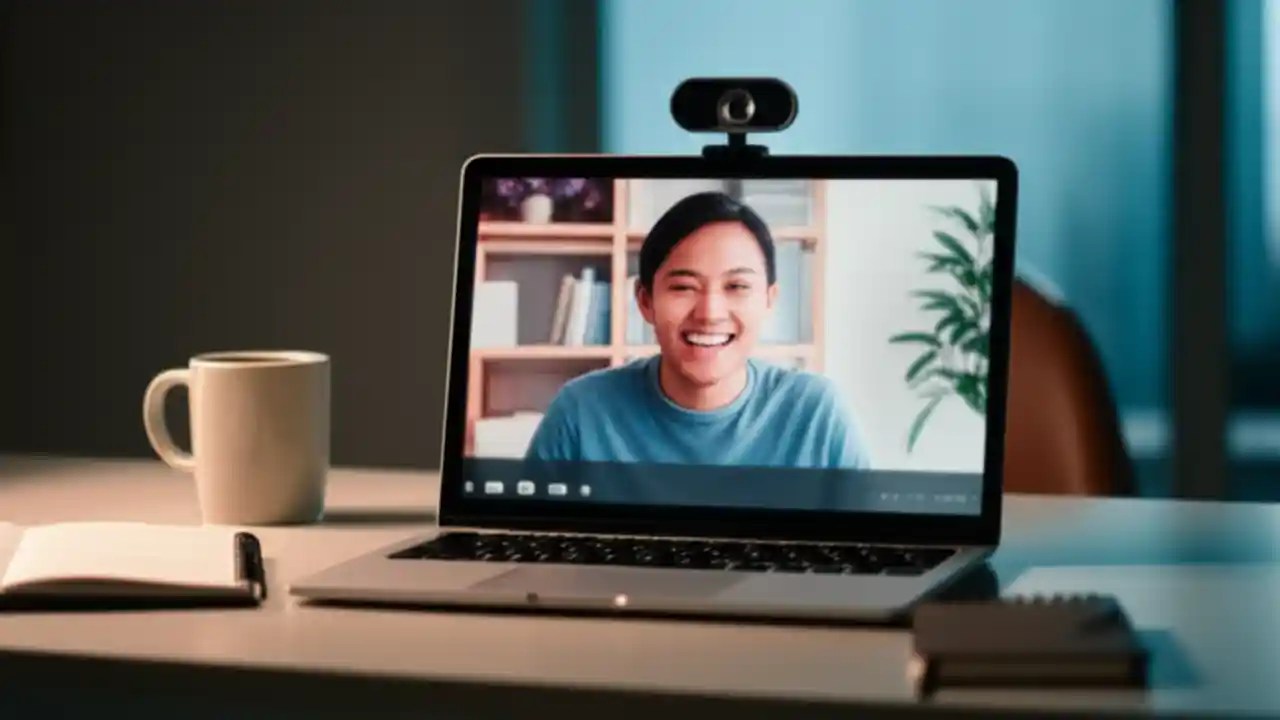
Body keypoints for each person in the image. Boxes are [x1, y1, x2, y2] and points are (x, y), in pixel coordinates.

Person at [525, 191, 870, 469]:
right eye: (683, 287)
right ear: (645, 301)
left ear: (769, 300)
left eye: (736, 286)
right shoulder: (581, 410)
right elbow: (530, 537)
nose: (710, 314)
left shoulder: (816, 412)